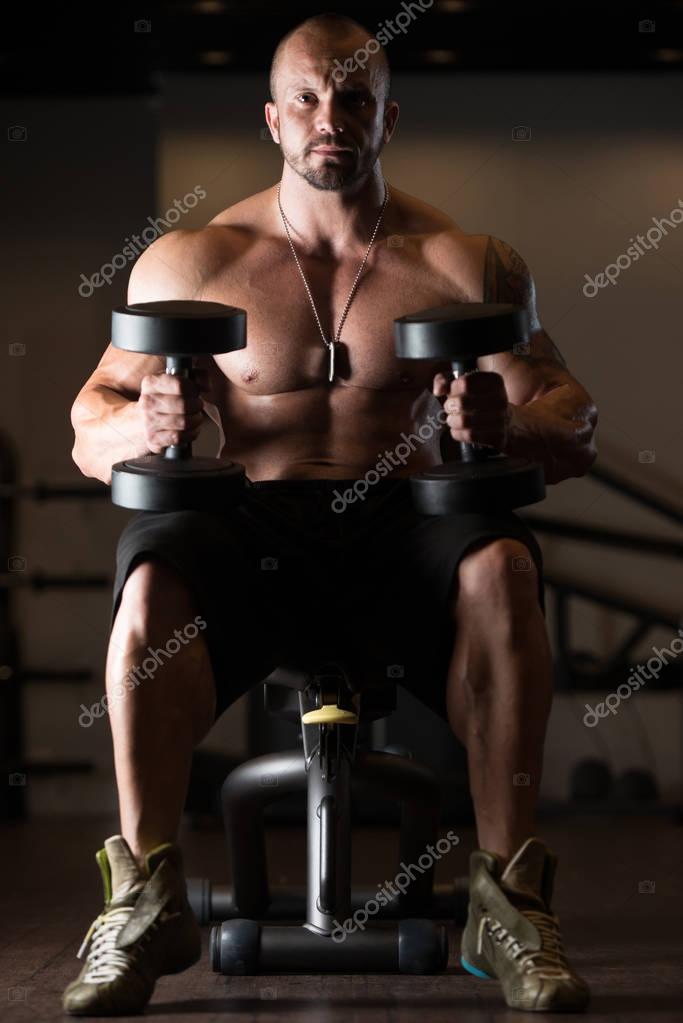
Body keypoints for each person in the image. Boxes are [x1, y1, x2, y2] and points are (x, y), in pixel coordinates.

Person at [63, 12, 597, 1016]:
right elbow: (87, 427)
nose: (329, 118)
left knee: (503, 566)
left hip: (402, 529)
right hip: (250, 529)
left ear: (387, 115)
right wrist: (143, 427)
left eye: (352, 98)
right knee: (149, 583)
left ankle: (507, 901)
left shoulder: (460, 263)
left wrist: (506, 426)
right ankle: (142, 896)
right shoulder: (191, 261)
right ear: (272, 118)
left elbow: (573, 423)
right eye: (307, 97)